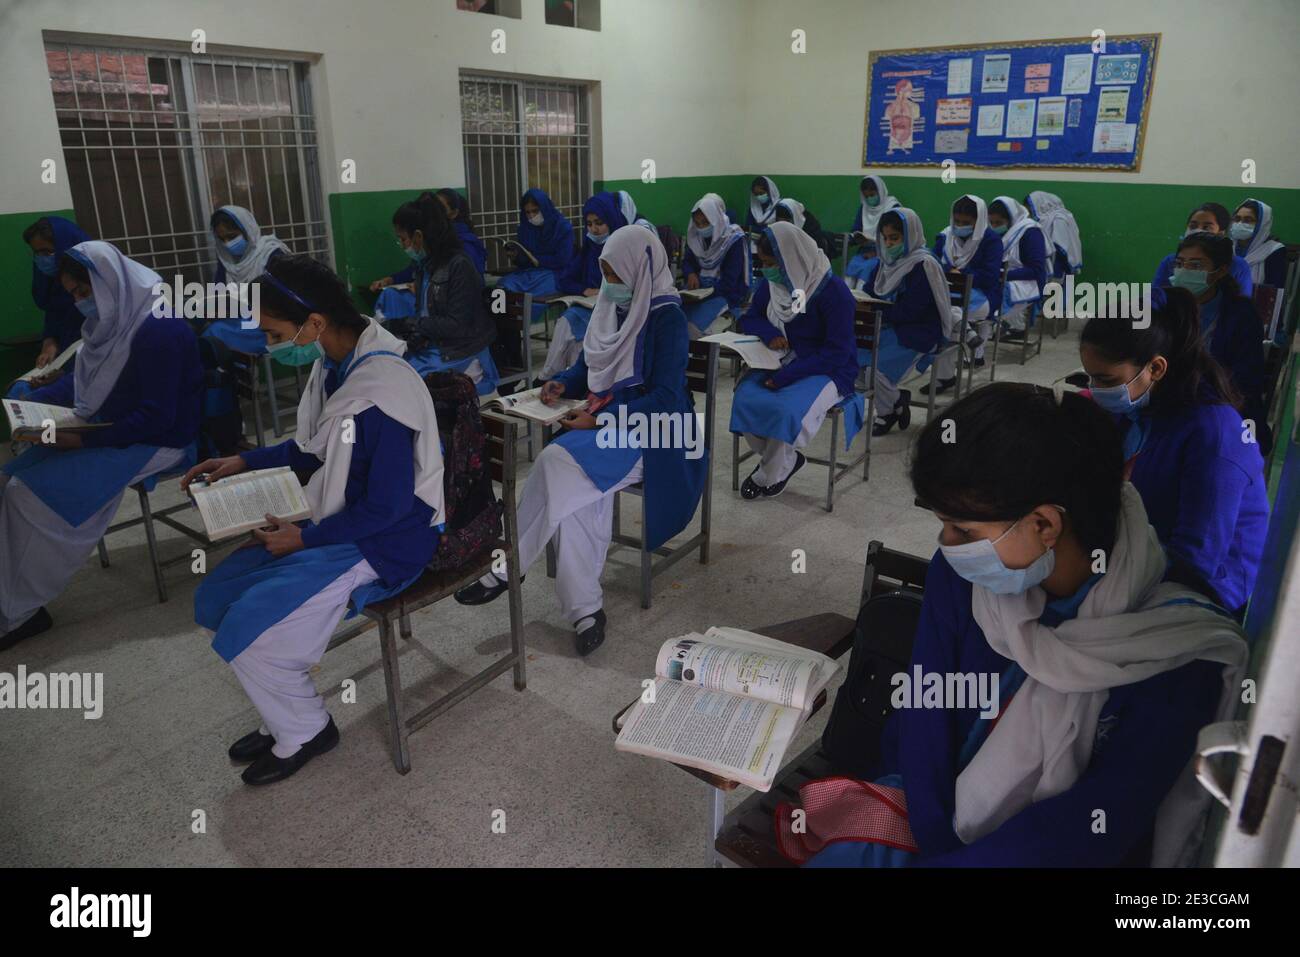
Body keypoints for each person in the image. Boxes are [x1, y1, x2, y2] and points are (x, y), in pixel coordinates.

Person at [783, 383, 1247, 867]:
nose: (947, 544)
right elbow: (927, 706)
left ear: (1045, 525)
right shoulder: (962, 576)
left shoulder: (1175, 652)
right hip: (928, 807)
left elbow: (1096, 824)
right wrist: (934, 839)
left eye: (964, 531)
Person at [188, 254, 444, 785]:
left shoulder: (380, 393)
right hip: (340, 521)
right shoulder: (335, 367)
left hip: (386, 541)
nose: (271, 342)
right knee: (216, 597)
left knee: (250, 632)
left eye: (276, 331)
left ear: (316, 324)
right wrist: (244, 460)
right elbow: (312, 451)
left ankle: (304, 729)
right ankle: (284, 711)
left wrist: (304, 539)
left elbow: (391, 507)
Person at [455, 227, 705, 656]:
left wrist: (601, 416)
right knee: (572, 494)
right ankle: (584, 610)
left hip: (657, 433)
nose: (610, 284)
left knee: (555, 463)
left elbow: (664, 397)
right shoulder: (613, 308)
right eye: (605, 273)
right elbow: (591, 368)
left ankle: (508, 563)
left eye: (616, 274)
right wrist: (560, 383)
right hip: (608, 424)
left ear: (639, 269)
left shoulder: (667, 319)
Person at [0, 241, 203, 650]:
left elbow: (157, 418)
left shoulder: (160, 328)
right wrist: (27, 405)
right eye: (74, 294)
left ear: (108, 280)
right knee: (6, 480)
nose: (80, 303)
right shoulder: (107, 323)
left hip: (156, 441)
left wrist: (80, 440)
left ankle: (19, 612)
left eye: (84, 291)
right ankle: (8, 592)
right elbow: (79, 381)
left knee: (30, 498)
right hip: (108, 426)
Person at [1079, 287, 1268, 616]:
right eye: (1090, 379)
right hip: (1141, 558)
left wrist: (1110, 587)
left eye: (1105, 380)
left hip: (1204, 593)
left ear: (1156, 368)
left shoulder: (1214, 433)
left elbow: (1196, 559)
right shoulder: (1136, 411)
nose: (1095, 390)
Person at [730, 222, 860, 498]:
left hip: (828, 370)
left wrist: (785, 377)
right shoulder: (774, 285)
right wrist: (769, 334)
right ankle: (785, 463)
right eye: (763, 263)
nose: (766, 270)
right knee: (745, 398)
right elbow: (750, 317)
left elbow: (836, 353)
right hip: (780, 360)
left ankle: (769, 475)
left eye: (771, 263)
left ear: (792, 260)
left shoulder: (833, 292)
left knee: (785, 410)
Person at [384, 194, 499, 395]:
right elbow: (427, 315)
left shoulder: (459, 265)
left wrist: (410, 324)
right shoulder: (425, 266)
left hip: (463, 352)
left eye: (403, 239)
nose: (403, 246)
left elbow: (456, 326)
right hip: (436, 347)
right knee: (386, 370)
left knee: (402, 387)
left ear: (419, 237)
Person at [1166, 232, 1265, 429]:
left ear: (1220, 271)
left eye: (1196, 265)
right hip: (1169, 401)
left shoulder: (1241, 314)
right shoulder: (1167, 306)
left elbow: (1246, 377)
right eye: (1179, 264)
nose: (1184, 271)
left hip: (1221, 409)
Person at [866, 208, 952, 436]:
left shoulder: (924, 264)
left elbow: (911, 311)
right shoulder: (885, 261)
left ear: (910, 235)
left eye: (894, 238)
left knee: (875, 368)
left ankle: (888, 411)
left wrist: (876, 309)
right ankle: (895, 401)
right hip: (890, 324)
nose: (888, 243)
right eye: (884, 238)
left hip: (919, 331)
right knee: (855, 358)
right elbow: (869, 290)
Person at [539, 192, 629, 378]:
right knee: (566, 321)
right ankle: (549, 376)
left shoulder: (625, 247)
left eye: (599, 223)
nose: (594, 229)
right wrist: (584, 290)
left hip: (616, 311)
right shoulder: (589, 246)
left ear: (612, 221)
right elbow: (565, 278)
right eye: (589, 224)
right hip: (589, 307)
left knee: (579, 343)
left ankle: (554, 379)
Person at [926, 194, 1002, 393]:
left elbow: (990, 277)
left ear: (979, 221)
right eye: (957, 221)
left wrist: (962, 274)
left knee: (943, 314)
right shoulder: (945, 236)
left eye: (966, 223)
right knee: (943, 314)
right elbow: (932, 264)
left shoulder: (990, 240)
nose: (959, 226)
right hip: (948, 294)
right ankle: (965, 332)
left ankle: (944, 375)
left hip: (981, 296)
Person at [370, 190, 488, 306]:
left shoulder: (461, 254)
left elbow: (465, 300)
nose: (433, 213)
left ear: (453, 214)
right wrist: (391, 280)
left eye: (439, 208)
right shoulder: (428, 254)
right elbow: (414, 270)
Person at [203, 205, 290, 354]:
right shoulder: (227, 260)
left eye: (232, 236)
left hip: (272, 324)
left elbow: (283, 300)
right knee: (205, 329)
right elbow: (219, 295)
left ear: (247, 231)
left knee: (216, 333)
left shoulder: (271, 254)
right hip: (241, 319)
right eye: (222, 239)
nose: (227, 244)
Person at [21, 215, 91, 372]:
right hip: (64, 359)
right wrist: (49, 342)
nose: (41, 258)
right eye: (36, 253)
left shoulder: (95, 281)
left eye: (46, 252)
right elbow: (54, 314)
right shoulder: (54, 281)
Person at [680, 193, 749, 339]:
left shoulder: (733, 239)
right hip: (698, 292)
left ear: (716, 219)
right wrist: (690, 273)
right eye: (697, 224)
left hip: (725, 293)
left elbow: (730, 279)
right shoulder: (695, 237)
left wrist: (706, 294)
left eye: (705, 223)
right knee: (675, 314)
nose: (701, 228)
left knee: (694, 325)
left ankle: (701, 357)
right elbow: (687, 261)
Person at [1153, 203, 1253, 295]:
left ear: (1221, 233)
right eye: (1193, 226)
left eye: (1206, 227)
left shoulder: (1237, 265)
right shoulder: (1170, 261)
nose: (1197, 230)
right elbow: (1153, 299)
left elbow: (1242, 303)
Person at [494, 188, 575, 299]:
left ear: (544, 208)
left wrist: (537, 260)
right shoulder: (525, 229)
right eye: (527, 212)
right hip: (530, 273)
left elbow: (563, 259)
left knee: (532, 296)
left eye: (535, 211)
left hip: (556, 273)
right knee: (502, 285)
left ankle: (525, 315)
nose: (531, 216)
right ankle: (504, 316)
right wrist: (516, 257)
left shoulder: (562, 228)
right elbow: (525, 260)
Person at [988, 196, 1047, 340]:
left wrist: (1003, 275)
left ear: (1012, 219)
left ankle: (991, 324)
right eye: (991, 222)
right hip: (1002, 277)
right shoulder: (998, 234)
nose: (994, 227)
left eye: (999, 223)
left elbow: (1036, 270)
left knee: (994, 294)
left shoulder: (1030, 232)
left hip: (1028, 282)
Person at [844, 175, 901, 291]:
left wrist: (877, 252)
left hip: (886, 253)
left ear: (880, 191)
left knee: (867, 269)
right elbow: (856, 229)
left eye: (872, 195)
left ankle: (861, 302)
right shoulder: (864, 208)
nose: (869, 198)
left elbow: (897, 236)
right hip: (865, 251)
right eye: (866, 196)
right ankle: (846, 300)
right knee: (852, 266)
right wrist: (856, 237)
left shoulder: (892, 207)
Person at [1024, 191, 1082, 280]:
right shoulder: (1049, 220)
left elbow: (1060, 248)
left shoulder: (1058, 219)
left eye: (1030, 211)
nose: (1030, 215)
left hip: (1058, 271)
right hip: (1056, 271)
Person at [1231, 198, 1287, 290]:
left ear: (1262, 224)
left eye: (1248, 220)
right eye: (1237, 219)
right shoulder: (1228, 247)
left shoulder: (1273, 250)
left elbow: (1274, 291)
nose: (1240, 223)